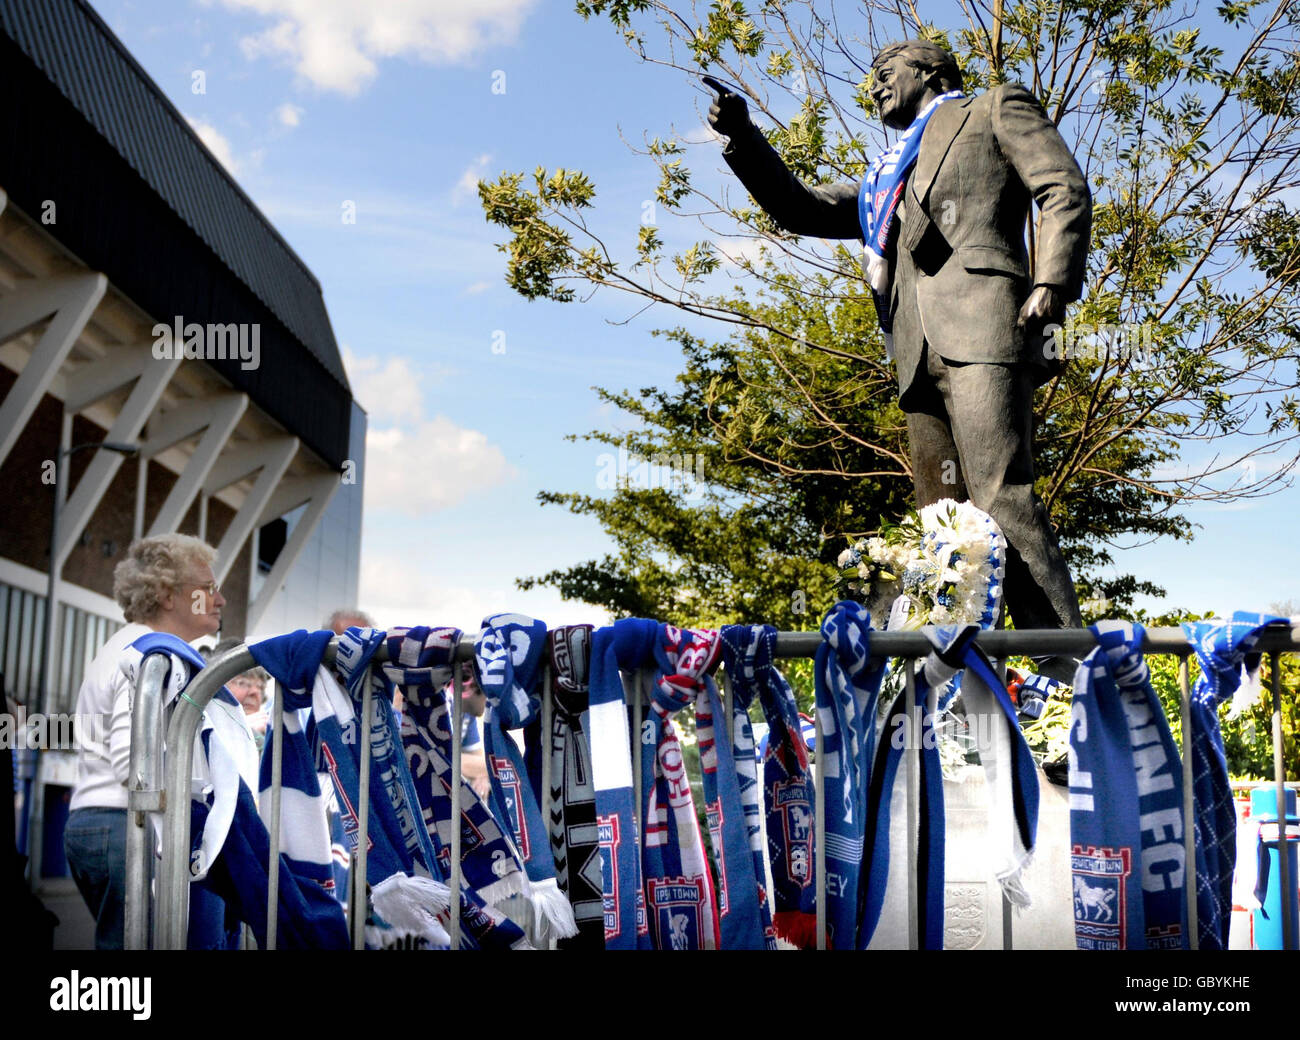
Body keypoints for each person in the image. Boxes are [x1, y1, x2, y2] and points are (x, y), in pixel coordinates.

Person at [707, 39, 1090, 680]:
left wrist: (1051, 280)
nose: (876, 87)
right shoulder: (886, 177)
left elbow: (1062, 187)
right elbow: (802, 207)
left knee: (1002, 499)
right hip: (913, 349)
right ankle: (958, 686)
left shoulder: (995, 108)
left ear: (931, 70)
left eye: (886, 73)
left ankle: (1068, 680)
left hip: (985, 325)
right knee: (940, 522)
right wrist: (744, 137)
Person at [64, 533, 225, 949]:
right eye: (206, 590)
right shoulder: (151, 654)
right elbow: (133, 764)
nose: (219, 600)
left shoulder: (124, 647)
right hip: (125, 827)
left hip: (98, 822)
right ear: (168, 596)